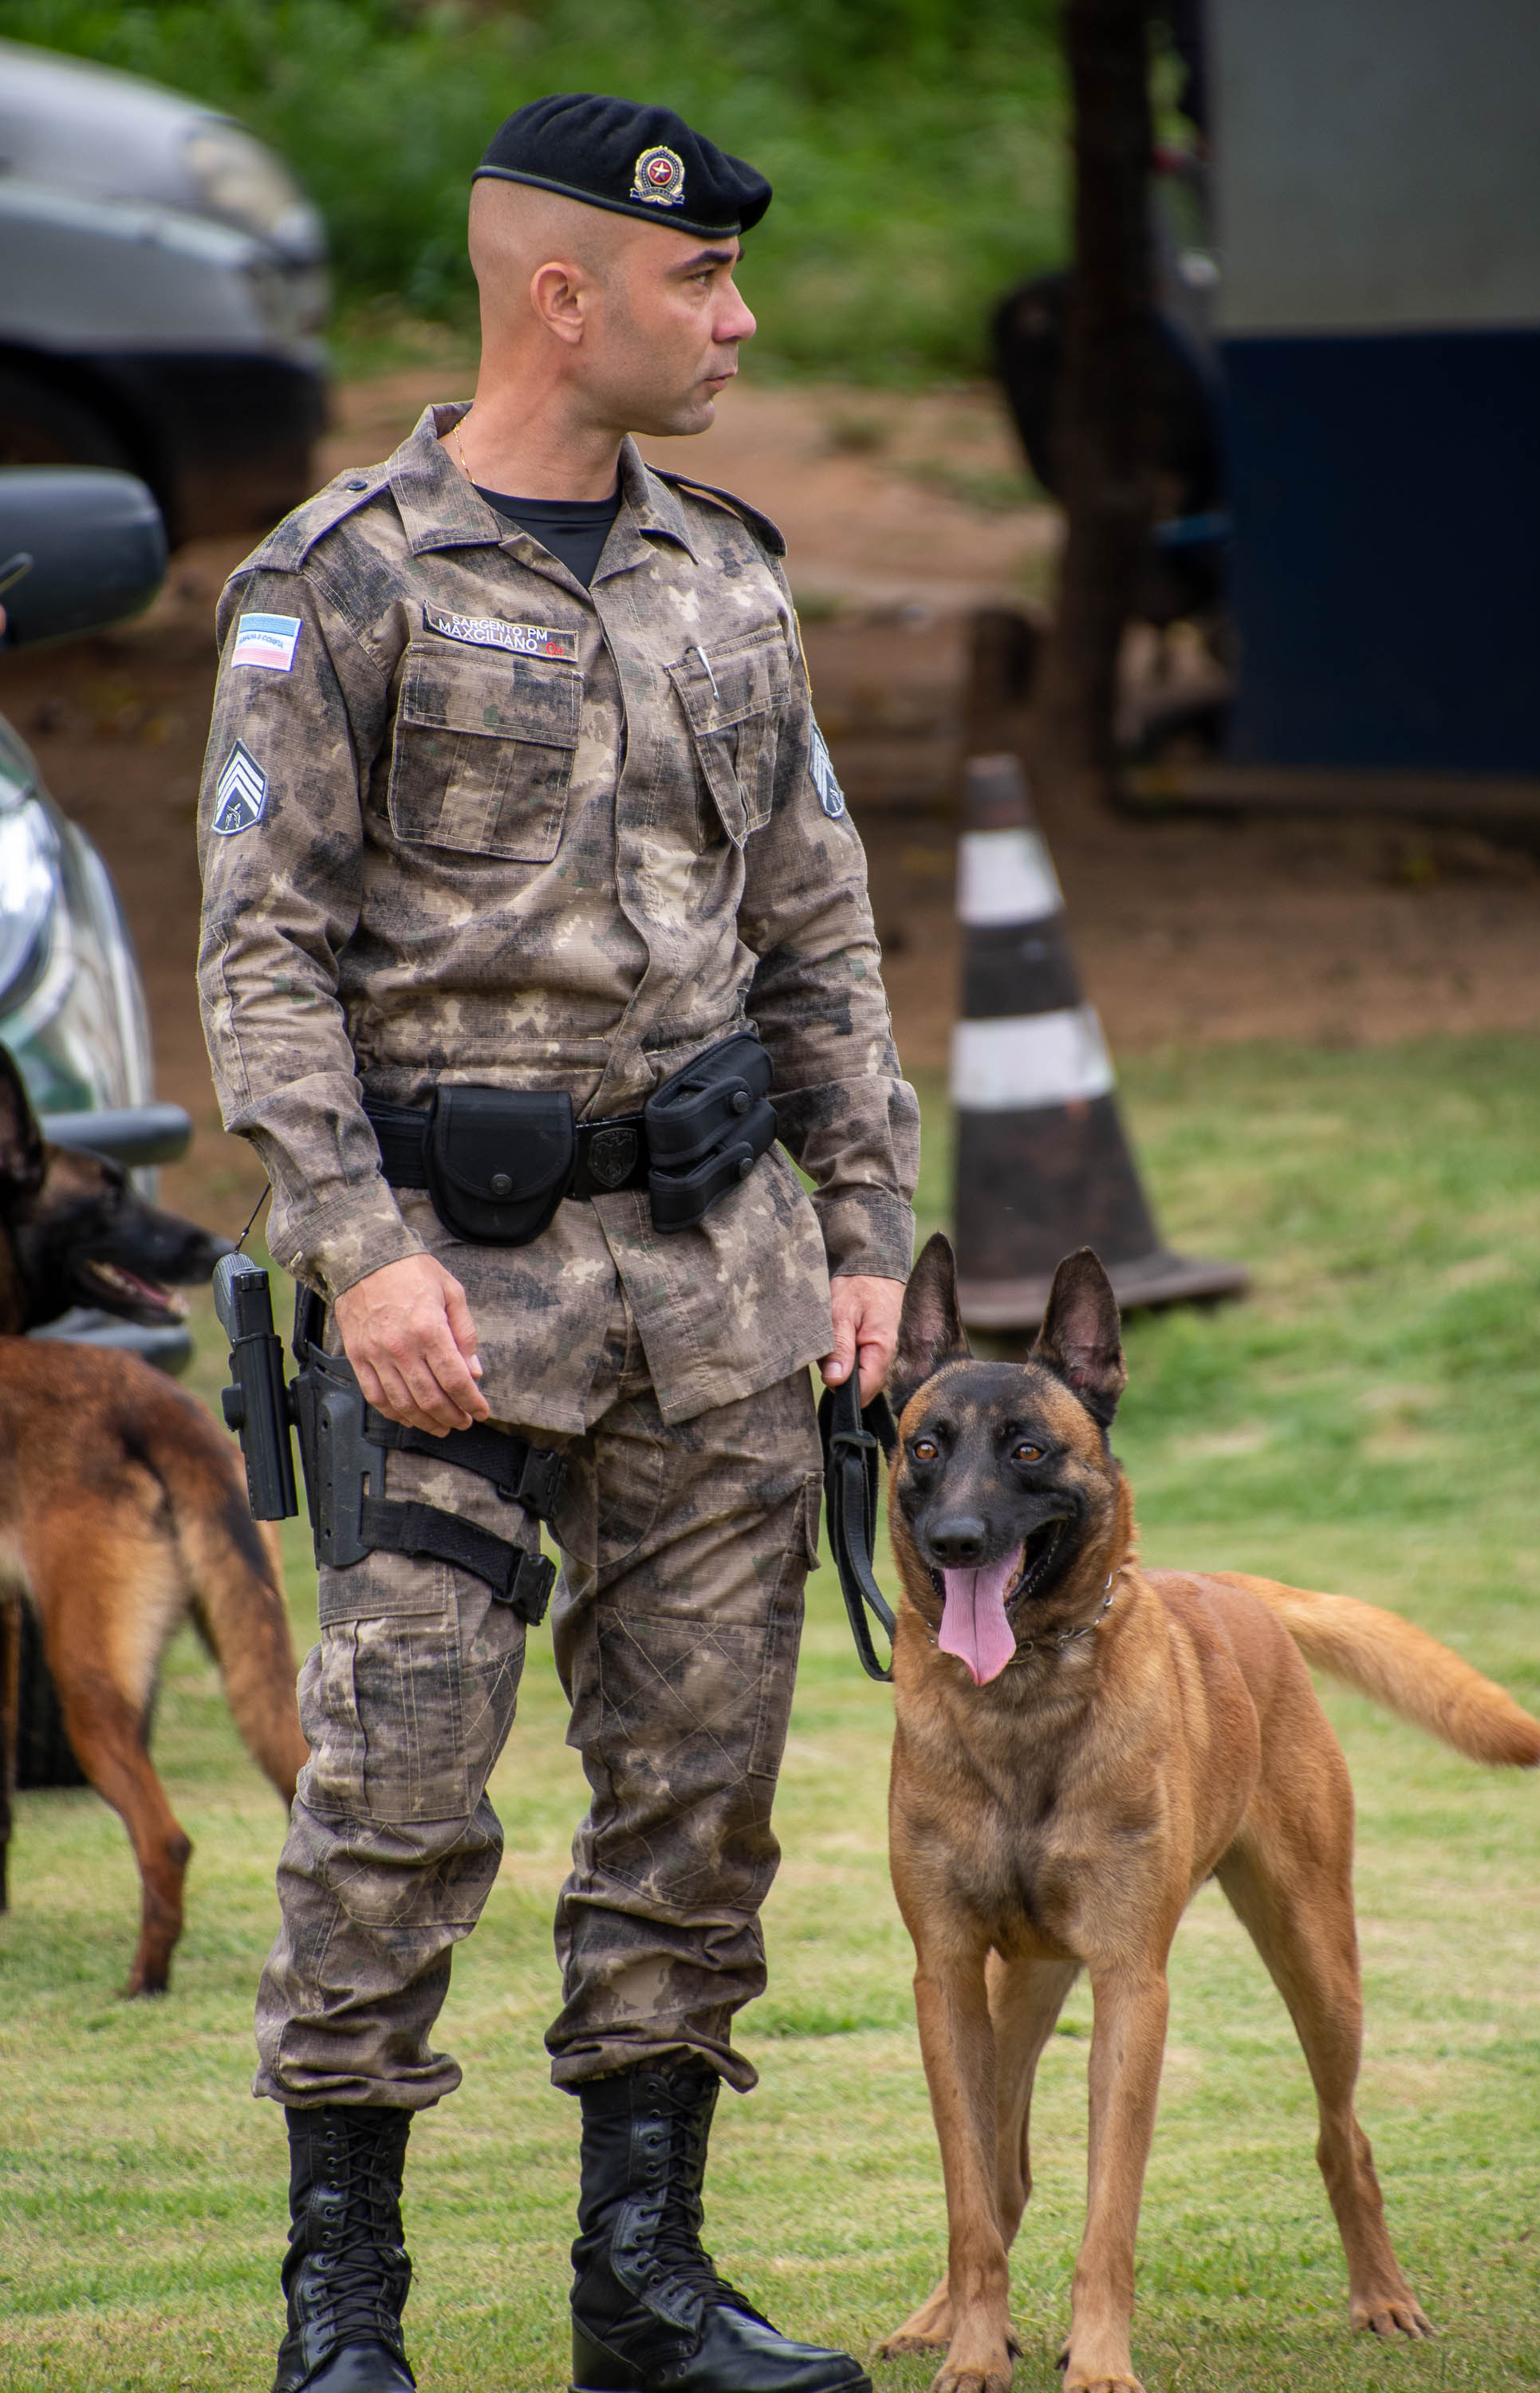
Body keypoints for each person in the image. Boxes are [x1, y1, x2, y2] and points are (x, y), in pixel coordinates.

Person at [196, 93, 917, 2393]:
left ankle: (647, 2287)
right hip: (452, 1312)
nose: (741, 317)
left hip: (724, 1282)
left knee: (695, 1806)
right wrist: (359, 1250)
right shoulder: (347, 579)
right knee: (393, 1801)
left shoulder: (728, 569)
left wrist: (873, 1228)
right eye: (703, 282)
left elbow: (819, 922)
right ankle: (346, 2313)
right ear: (563, 294)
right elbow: (261, 957)